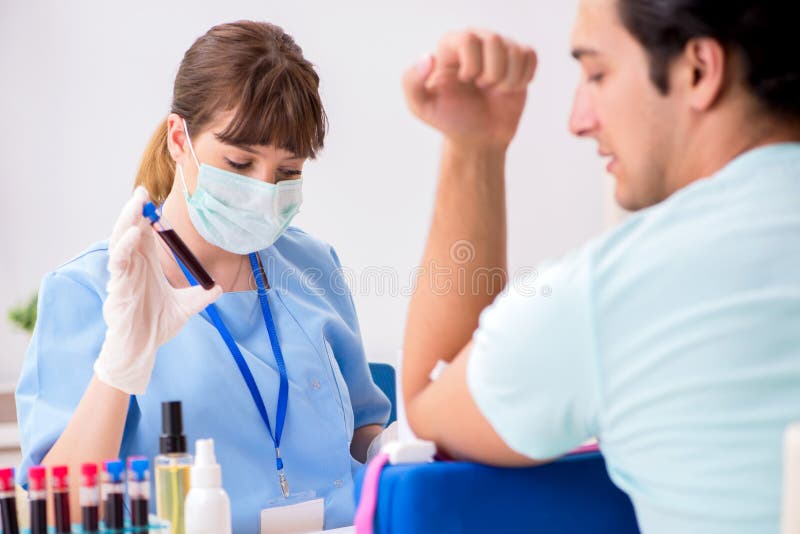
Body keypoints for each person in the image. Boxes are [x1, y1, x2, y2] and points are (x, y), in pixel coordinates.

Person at [400, 1, 800, 532]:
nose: (577, 121)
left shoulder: (616, 290)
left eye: (597, 73)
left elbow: (431, 404)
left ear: (699, 70)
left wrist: (474, 146)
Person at [16, 20, 391, 532]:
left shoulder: (313, 265)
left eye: (288, 172)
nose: (264, 189)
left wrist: (393, 450)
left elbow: (362, 430)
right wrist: (119, 367)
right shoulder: (87, 289)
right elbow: (59, 506)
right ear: (179, 139)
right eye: (239, 163)